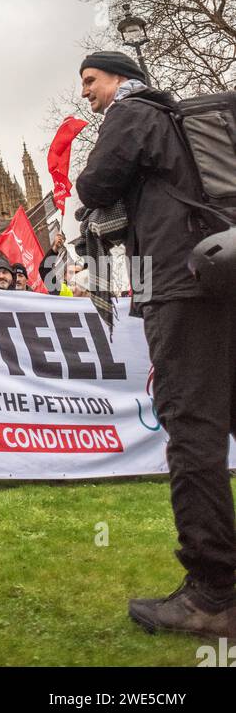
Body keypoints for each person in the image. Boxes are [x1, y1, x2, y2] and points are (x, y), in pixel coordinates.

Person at [75, 48, 236, 639]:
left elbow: (94, 183)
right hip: (219, 277)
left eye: (91, 81)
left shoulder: (132, 112)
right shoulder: (174, 121)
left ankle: (213, 593)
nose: (87, 93)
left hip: (178, 285)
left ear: (120, 78)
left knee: (190, 428)